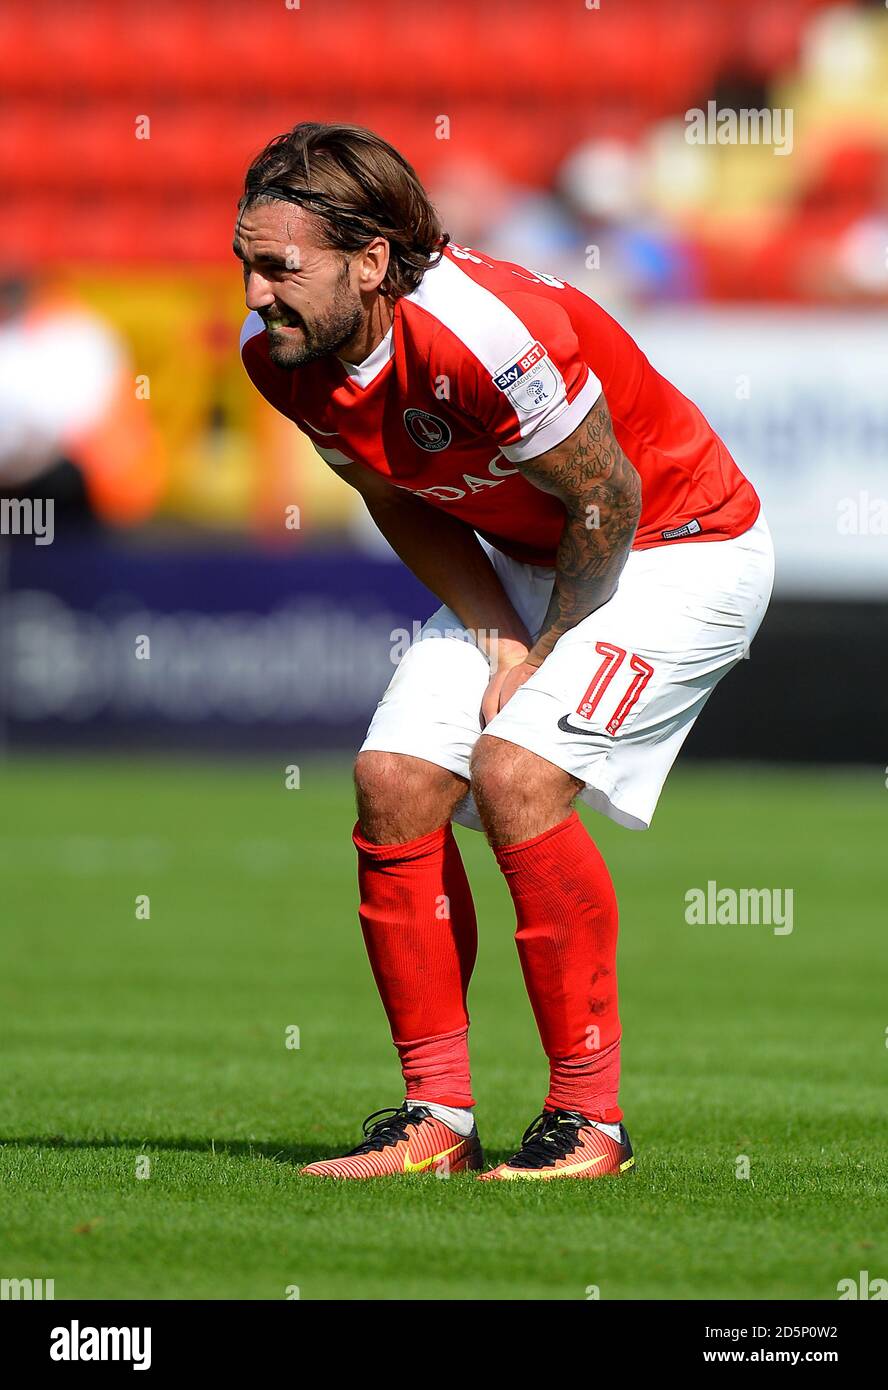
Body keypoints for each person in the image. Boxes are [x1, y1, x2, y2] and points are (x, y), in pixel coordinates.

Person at [237, 123, 774, 1181]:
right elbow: (399, 496)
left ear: (373, 261)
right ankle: (434, 1120)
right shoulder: (284, 362)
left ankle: (591, 1126)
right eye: (247, 265)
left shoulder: (488, 336)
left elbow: (608, 499)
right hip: (536, 556)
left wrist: (545, 650)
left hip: (680, 549)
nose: (256, 295)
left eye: (280, 268)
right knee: (392, 781)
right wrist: (494, 629)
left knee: (517, 772)